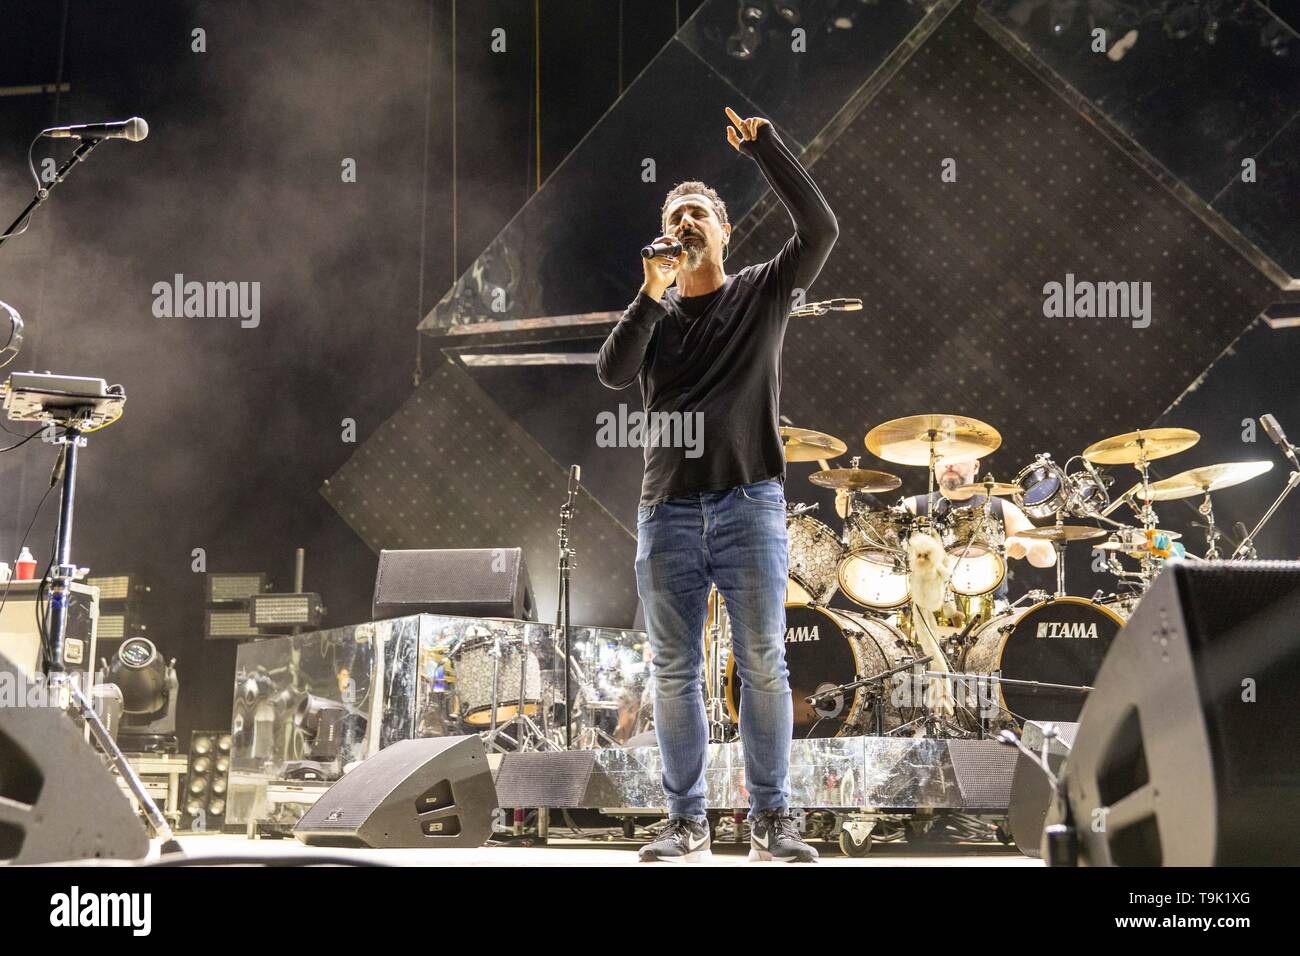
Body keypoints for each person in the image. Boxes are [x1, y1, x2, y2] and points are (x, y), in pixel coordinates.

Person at [597, 108, 838, 863]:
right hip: (665, 511)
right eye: (674, 216)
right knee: (673, 670)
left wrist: (767, 147)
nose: (686, 221)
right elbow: (611, 370)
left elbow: (822, 228)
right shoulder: (656, 317)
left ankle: (772, 820)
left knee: (762, 660)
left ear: (724, 230)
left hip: (748, 502)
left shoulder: (763, 292)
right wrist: (648, 291)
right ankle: (686, 821)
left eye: (698, 212)